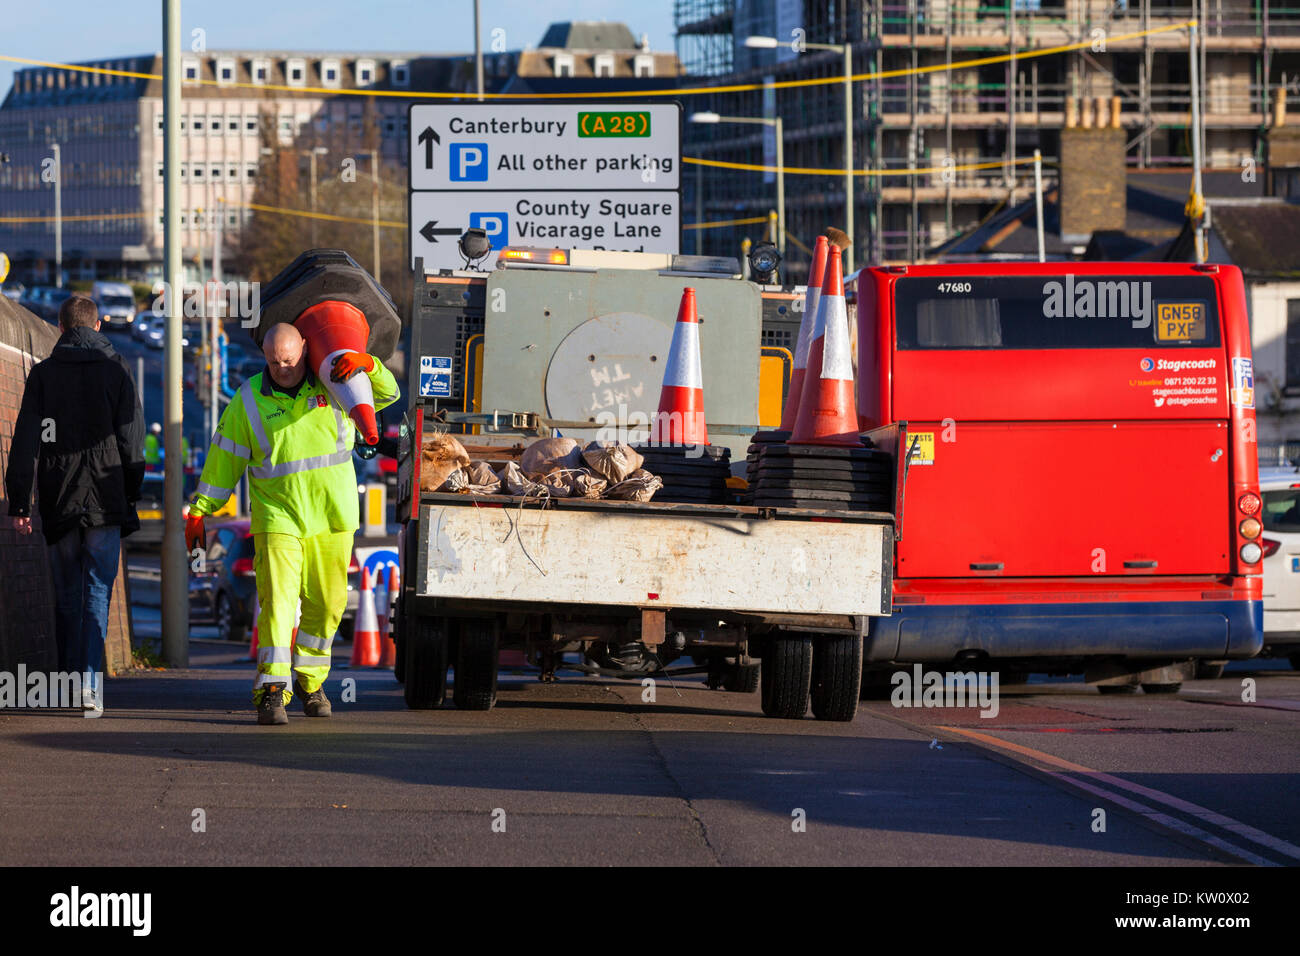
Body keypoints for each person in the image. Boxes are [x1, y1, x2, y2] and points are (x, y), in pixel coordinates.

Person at [185, 322, 397, 725]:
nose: (281, 368)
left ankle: (310, 682)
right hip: (277, 516)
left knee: (328, 604)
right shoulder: (247, 402)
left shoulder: (333, 382)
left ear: (305, 347)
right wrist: (200, 509)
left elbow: (386, 394)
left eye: (288, 359)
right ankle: (271, 690)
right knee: (279, 605)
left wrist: (367, 363)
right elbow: (223, 460)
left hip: (333, 517)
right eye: (272, 361)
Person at [6, 294, 144, 712]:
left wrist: (18, 504)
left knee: (65, 592)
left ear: (61, 328)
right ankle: (87, 683)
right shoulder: (116, 370)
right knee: (97, 591)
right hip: (106, 499)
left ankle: (69, 680)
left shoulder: (44, 374)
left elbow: (26, 440)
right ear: (97, 326)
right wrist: (130, 492)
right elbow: (131, 440)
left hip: (58, 497)